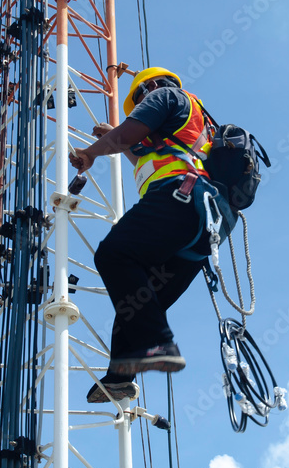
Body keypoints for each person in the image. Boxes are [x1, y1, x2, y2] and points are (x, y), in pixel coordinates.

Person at [68, 67, 234, 403]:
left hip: (180, 197)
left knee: (114, 255)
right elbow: (141, 149)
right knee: (138, 300)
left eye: (138, 102)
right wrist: (113, 137)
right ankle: (119, 377)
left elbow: (128, 136)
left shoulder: (164, 95)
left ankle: (159, 343)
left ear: (151, 88)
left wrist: (91, 153)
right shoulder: (200, 121)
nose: (141, 106)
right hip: (206, 224)